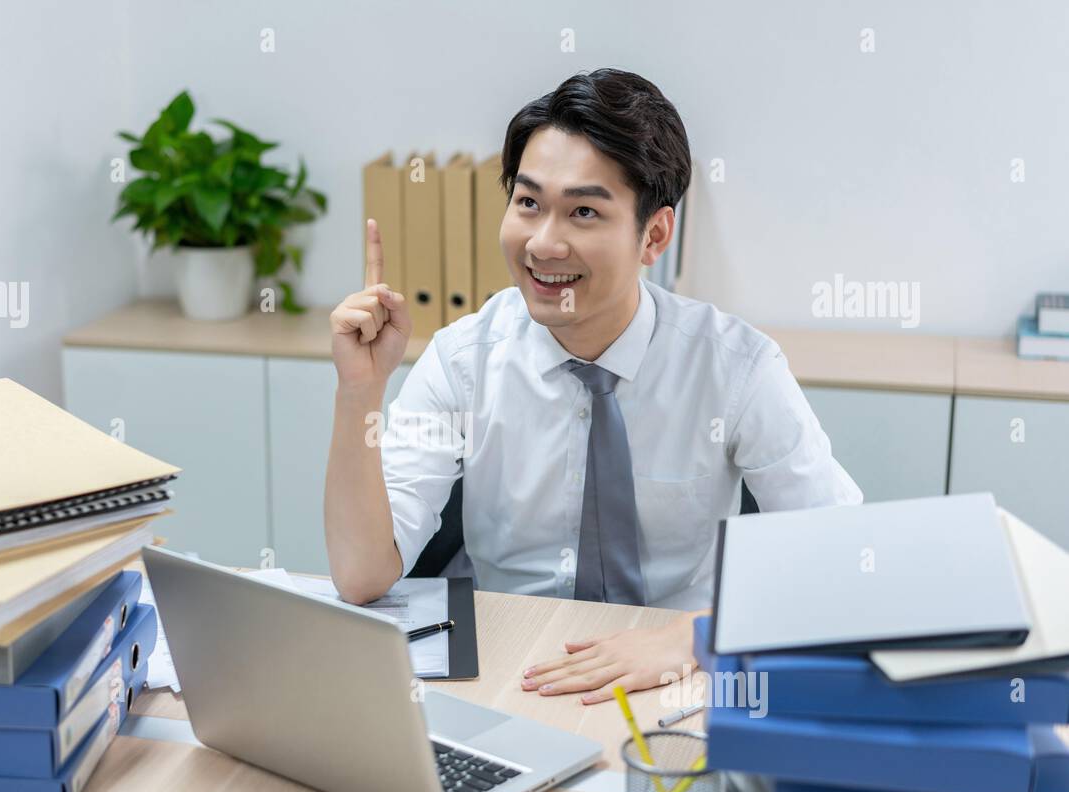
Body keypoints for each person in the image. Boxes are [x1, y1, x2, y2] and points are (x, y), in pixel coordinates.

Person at [324, 68, 862, 703]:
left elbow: (845, 562)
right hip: (506, 668)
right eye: (528, 203)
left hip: (675, 673)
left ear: (654, 235)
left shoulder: (735, 367)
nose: (544, 243)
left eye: (583, 211)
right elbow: (362, 578)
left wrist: (697, 636)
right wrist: (360, 391)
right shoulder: (463, 360)